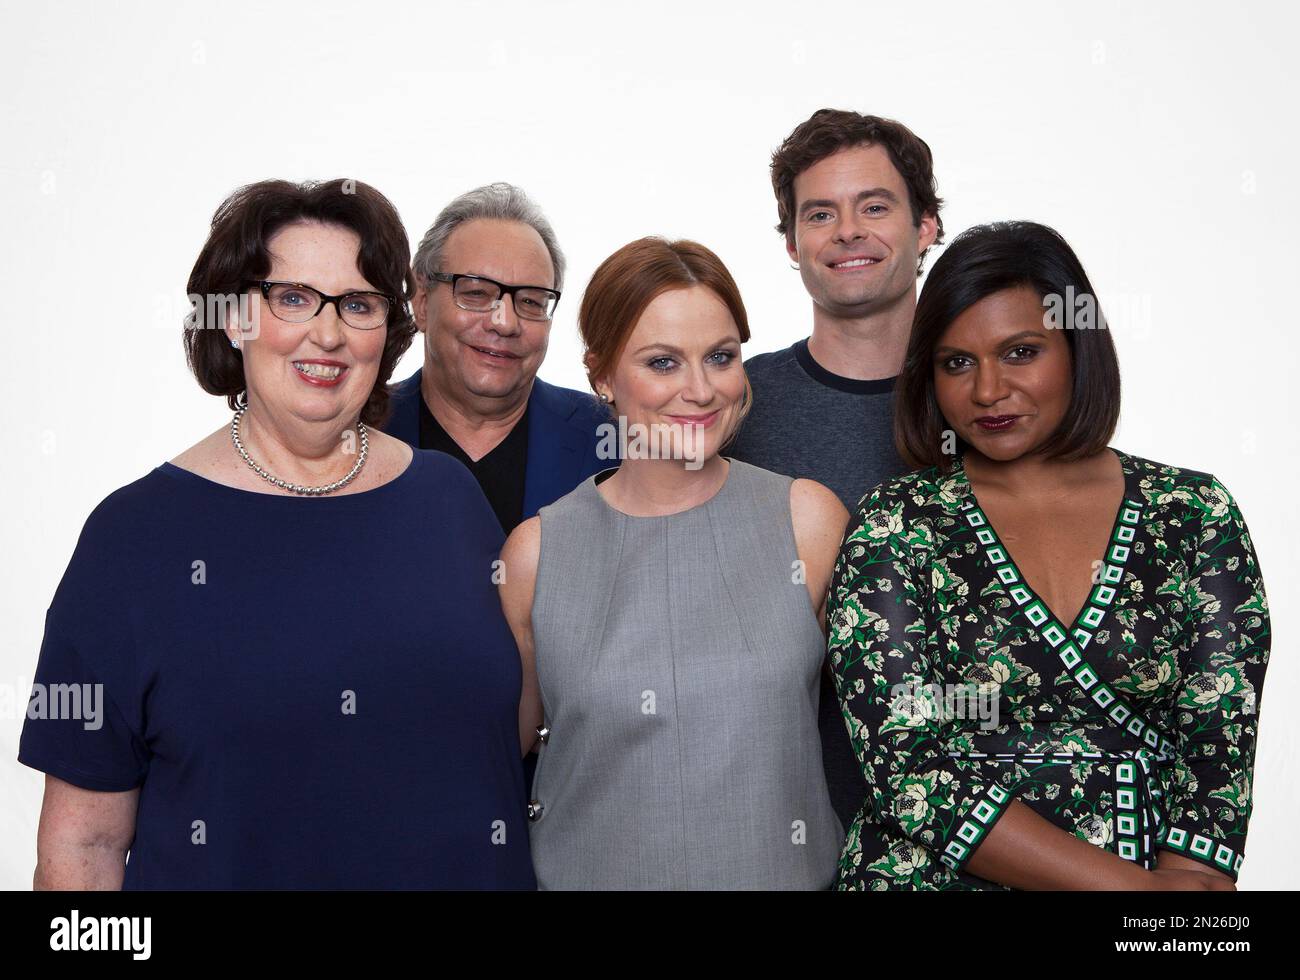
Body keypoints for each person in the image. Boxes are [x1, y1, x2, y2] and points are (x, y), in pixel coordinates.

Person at [19, 178, 535, 889]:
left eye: (357, 305)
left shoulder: (449, 499)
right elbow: (83, 851)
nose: (327, 333)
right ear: (233, 317)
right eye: (292, 299)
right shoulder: (133, 538)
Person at [827, 221, 1270, 890]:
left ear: (1078, 347)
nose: (986, 390)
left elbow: (1216, 749)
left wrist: (1183, 903)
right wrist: (1137, 893)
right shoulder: (897, 523)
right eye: (956, 363)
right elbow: (908, 766)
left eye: (1021, 352)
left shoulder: (1193, 513)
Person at [498, 237, 848, 889]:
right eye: (663, 362)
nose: (700, 389)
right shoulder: (536, 554)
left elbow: (900, 738)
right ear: (602, 375)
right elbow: (485, 760)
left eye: (721, 356)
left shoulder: (807, 520)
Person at [728, 108, 944, 832]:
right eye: (820, 213)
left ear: (927, 227)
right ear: (791, 242)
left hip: (973, 840)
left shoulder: (990, 406)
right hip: (771, 832)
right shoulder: (730, 407)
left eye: (874, 206)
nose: (848, 231)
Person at [383, 182, 609, 535]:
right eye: (475, 293)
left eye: (531, 301)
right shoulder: (359, 430)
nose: (504, 323)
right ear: (423, 302)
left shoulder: (612, 441)